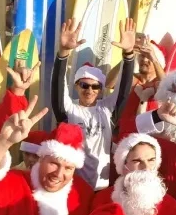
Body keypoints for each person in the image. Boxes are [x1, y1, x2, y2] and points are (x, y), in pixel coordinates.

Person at [50, 18, 137, 188]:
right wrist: (63, 53)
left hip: (101, 186)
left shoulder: (107, 109)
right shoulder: (69, 109)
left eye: (95, 86)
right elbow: (57, 87)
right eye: (84, 85)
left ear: (101, 89)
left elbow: (123, 88)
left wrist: (128, 55)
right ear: (76, 86)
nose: (89, 90)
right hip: (73, 186)